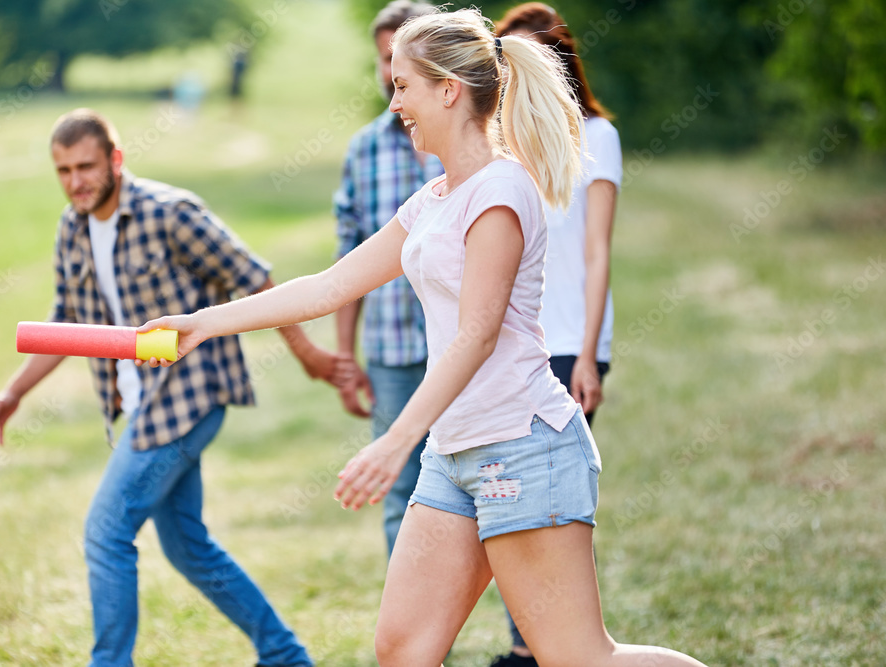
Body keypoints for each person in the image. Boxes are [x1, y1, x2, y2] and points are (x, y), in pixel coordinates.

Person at [139, 9, 706, 666]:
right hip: (454, 453)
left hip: (521, 447)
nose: (395, 99)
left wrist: (395, 439)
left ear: (448, 89)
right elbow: (329, 285)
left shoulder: (499, 192)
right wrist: (205, 323)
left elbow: (476, 334)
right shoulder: (435, 197)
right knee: (404, 648)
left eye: (404, 84)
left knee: (581, 659)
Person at [0, 108, 336, 667]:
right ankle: (285, 656)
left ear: (116, 159)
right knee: (188, 547)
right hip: (139, 404)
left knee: (105, 532)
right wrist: (13, 394)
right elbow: (67, 321)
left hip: (189, 397)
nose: (76, 181)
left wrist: (308, 351)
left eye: (87, 166)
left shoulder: (171, 214)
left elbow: (253, 278)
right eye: (64, 170)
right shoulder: (72, 228)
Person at [489, 4, 623, 665]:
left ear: (560, 59)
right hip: (517, 339)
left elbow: (597, 250)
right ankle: (528, 644)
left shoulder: (597, 135)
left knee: (551, 503)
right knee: (509, 493)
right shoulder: (501, 141)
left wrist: (592, 352)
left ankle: (543, 647)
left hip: (571, 339)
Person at [333, 0, 442, 559]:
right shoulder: (364, 149)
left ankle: (527, 646)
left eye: (400, 61)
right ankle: (418, 641)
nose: (389, 74)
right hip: (393, 349)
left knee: (491, 484)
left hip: (460, 344)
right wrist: (345, 357)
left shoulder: (472, 145)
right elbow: (345, 261)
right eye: (383, 60)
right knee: (398, 486)